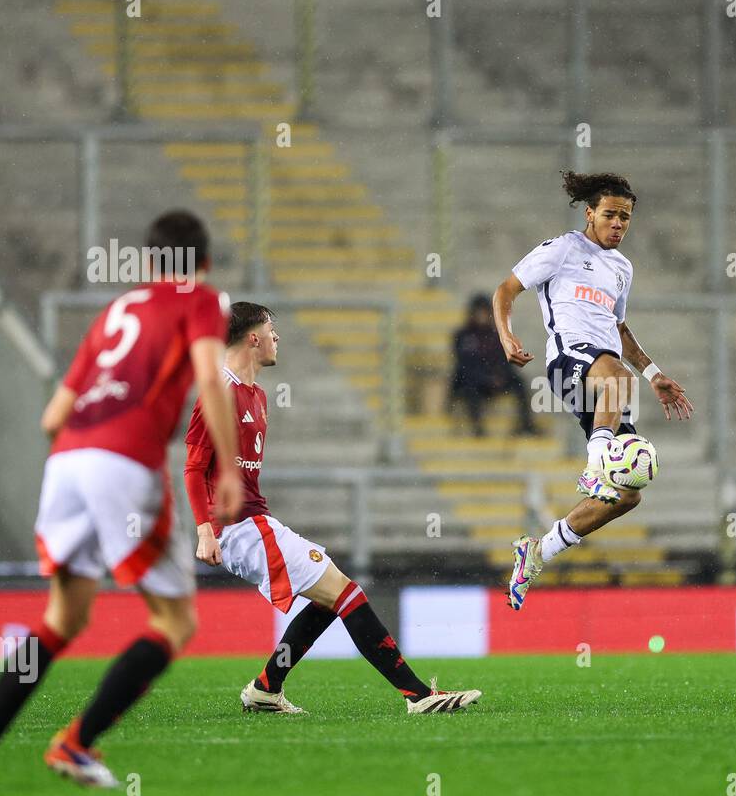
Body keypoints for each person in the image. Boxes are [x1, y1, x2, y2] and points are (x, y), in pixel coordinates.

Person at [0, 209, 243, 788]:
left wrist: (86, 466)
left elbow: (51, 416)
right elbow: (210, 377)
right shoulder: (201, 299)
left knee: (64, 616)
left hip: (68, 460)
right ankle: (76, 743)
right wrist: (226, 468)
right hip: (124, 459)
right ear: (200, 263)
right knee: (176, 621)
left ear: (152, 262)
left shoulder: (114, 313)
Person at [184, 301, 481, 715]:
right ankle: (418, 696)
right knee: (347, 593)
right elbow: (194, 467)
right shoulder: (220, 391)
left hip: (254, 521)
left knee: (330, 597)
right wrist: (204, 530)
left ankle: (267, 688)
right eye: (271, 329)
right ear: (253, 338)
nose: (277, 337)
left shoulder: (257, 394)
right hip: (239, 527)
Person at [492, 170, 694, 610]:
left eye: (625, 217)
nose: (618, 224)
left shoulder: (622, 268)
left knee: (628, 492)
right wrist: (507, 336)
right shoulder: (563, 250)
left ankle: (540, 552)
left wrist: (654, 371)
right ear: (590, 213)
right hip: (569, 361)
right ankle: (594, 463)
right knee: (617, 377)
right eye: (610, 215)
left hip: (604, 378)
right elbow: (505, 291)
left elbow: (617, 327)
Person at [450, 293, 537, 436]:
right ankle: (478, 429)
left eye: (484, 312)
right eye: (479, 312)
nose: (482, 316)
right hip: (474, 381)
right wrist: (486, 378)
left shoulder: (497, 336)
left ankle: (526, 423)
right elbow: (465, 365)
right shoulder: (463, 335)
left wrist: (499, 376)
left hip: (494, 379)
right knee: (470, 388)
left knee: (519, 382)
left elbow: (505, 361)